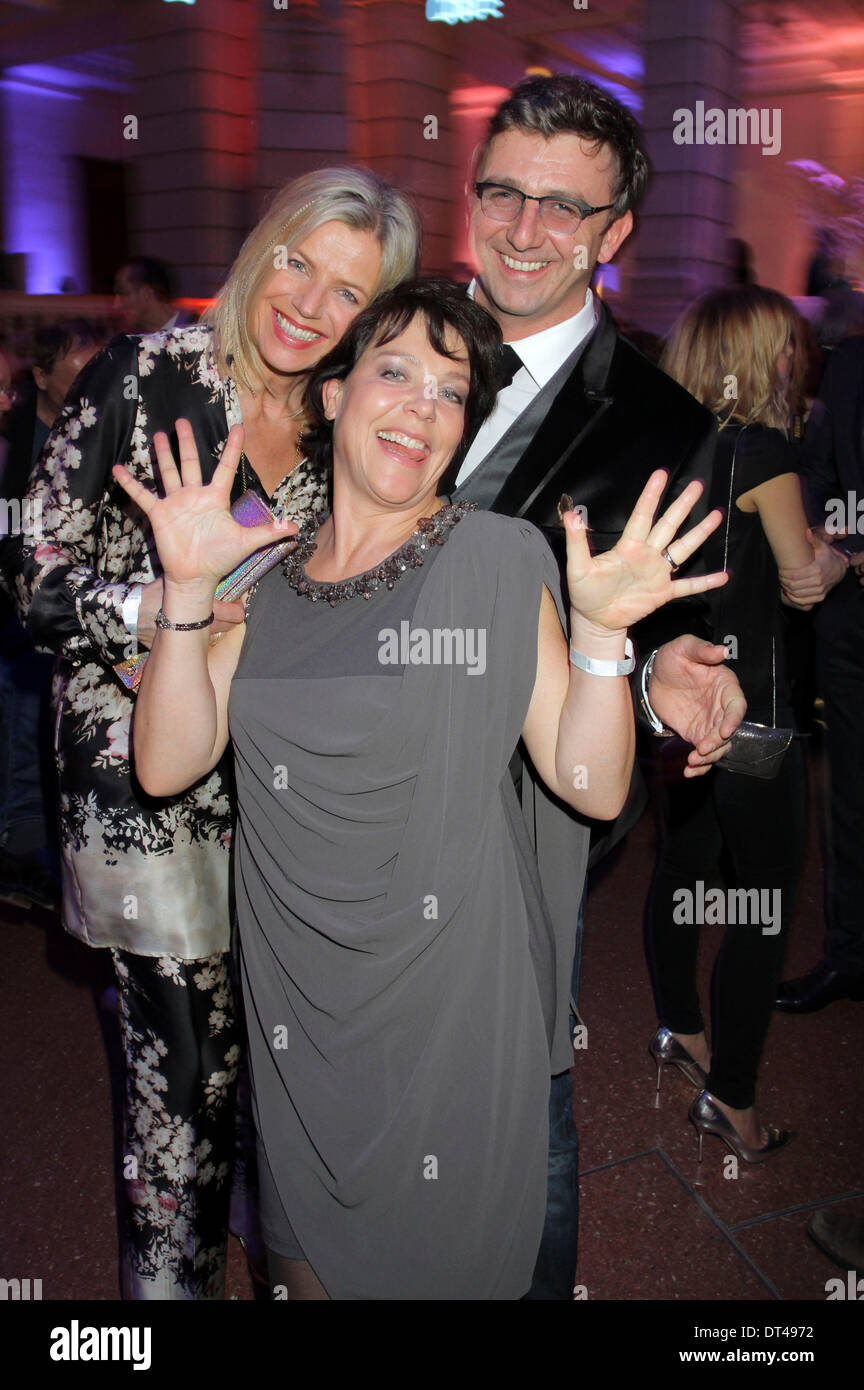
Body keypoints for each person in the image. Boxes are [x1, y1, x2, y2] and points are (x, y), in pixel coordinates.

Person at [113, 278, 729, 1300]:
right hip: (300, 1021)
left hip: (448, 1016)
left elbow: (592, 783)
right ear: (332, 395)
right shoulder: (260, 578)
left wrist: (606, 636)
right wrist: (183, 592)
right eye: (394, 372)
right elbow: (166, 762)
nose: (421, 407)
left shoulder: (493, 558)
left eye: (453, 393)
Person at [7, 167, 420, 1299]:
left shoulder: (350, 416)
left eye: (349, 292)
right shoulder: (145, 376)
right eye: (298, 261)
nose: (309, 303)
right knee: (183, 1092)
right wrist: (150, 609)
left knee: (289, 1084)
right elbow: (25, 568)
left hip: (292, 801)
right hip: (153, 800)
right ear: (258, 249)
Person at [443, 73, 747, 1298]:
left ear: (616, 232)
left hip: (517, 814)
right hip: (330, 788)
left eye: (565, 209)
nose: (525, 230)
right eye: (504, 192)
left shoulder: (672, 423)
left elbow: (671, 617)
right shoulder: (377, 351)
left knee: (524, 1092)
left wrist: (678, 653)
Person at [644, 285, 819, 1161]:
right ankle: (734, 1102)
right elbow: (801, 579)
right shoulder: (767, 450)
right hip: (757, 720)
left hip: (672, 701)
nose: (796, 358)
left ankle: (680, 1028)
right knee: (763, 903)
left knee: (683, 863)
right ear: (757, 354)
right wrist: (837, 556)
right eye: (785, 344)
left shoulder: (670, 446)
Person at [776, 333, 864, 1011]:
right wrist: (829, 540)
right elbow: (822, 466)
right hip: (849, 617)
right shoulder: (852, 358)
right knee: (849, 794)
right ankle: (849, 954)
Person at [0, 322, 99, 908]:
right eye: (75, 367)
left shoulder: (85, 428)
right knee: (22, 725)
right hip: (18, 616)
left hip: (62, 610)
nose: (89, 378)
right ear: (40, 377)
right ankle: (17, 852)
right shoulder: (18, 441)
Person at [114, 256, 196, 333]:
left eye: (124, 293)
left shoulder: (198, 334)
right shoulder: (136, 342)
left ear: (146, 293)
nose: (117, 305)